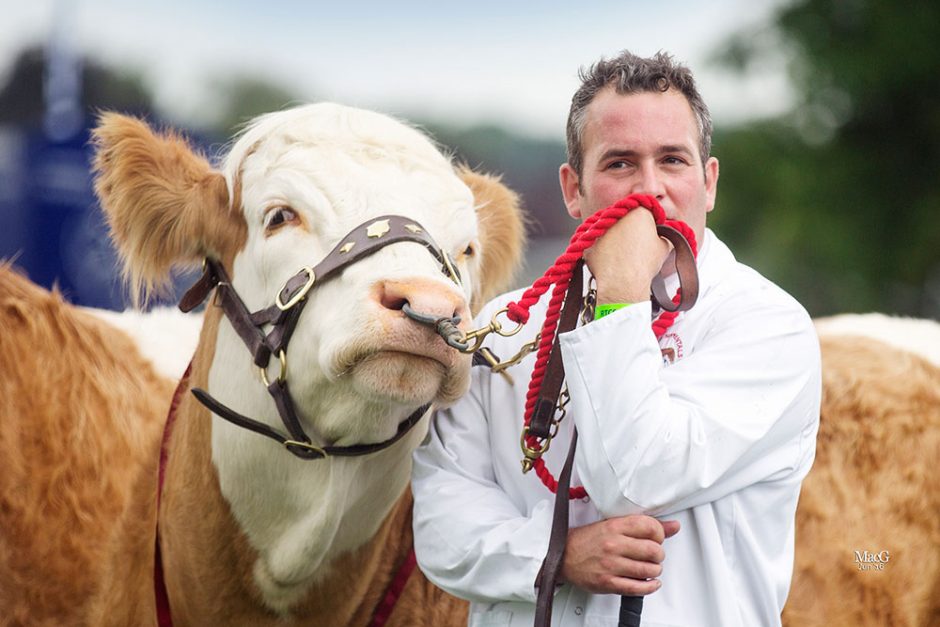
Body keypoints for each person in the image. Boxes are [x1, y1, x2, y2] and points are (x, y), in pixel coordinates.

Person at [411, 50, 821, 627]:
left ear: (708, 183)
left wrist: (619, 295)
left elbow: (636, 482)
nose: (649, 191)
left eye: (673, 160)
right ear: (572, 190)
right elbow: (440, 528)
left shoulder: (766, 326)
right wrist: (557, 557)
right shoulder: (506, 327)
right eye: (621, 164)